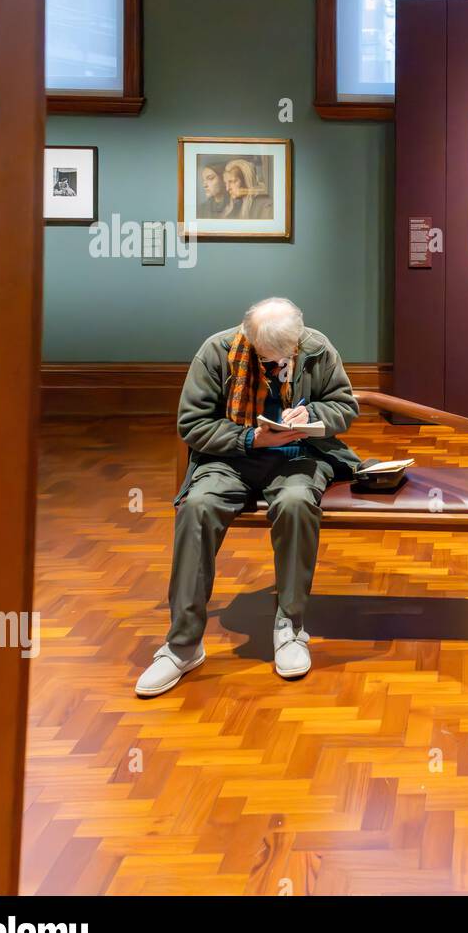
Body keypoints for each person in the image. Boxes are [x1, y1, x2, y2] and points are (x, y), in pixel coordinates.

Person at [135, 297, 361, 697]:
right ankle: (183, 644)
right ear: (249, 337)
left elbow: (345, 406)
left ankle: (290, 628)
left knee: (295, 504)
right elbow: (192, 424)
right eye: (265, 359)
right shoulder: (216, 353)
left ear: (297, 342)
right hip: (231, 458)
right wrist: (250, 437)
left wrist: (311, 417)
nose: (274, 368)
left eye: (281, 361)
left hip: (299, 457)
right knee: (197, 506)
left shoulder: (317, 348)